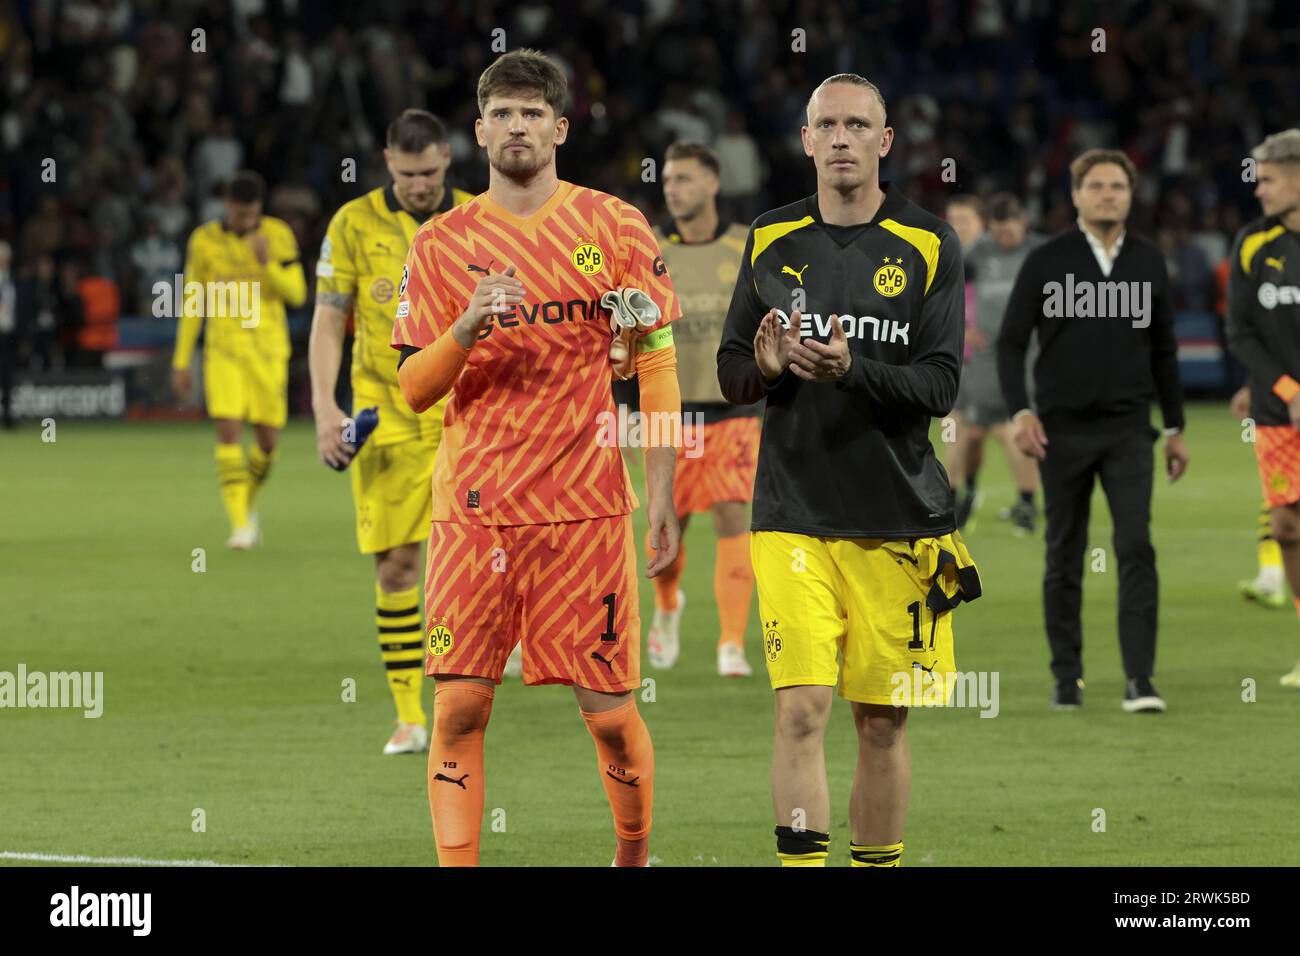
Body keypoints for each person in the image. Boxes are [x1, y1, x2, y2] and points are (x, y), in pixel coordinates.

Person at [390, 49, 682, 867]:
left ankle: (631, 856)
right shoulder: (442, 245)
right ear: (479, 131)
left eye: (532, 112)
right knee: (458, 710)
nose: (516, 125)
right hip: (474, 513)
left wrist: (661, 492)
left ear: (559, 127)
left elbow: (655, 361)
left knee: (613, 714)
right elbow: (413, 389)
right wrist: (464, 329)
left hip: (587, 510)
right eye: (501, 112)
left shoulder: (614, 225)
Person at [717, 73, 981, 867]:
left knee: (881, 720)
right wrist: (764, 367)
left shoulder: (931, 242)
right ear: (805, 140)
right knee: (800, 711)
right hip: (791, 512)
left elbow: (940, 387)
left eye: (856, 124)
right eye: (826, 124)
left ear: (884, 141)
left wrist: (849, 370)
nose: (840, 138)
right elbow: (732, 374)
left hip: (897, 518)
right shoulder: (767, 238)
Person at [997, 149, 1189, 712]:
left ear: (1132, 196)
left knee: (1136, 546)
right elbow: (1010, 342)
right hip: (1061, 432)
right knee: (1064, 553)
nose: (1109, 195)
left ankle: (1139, 680)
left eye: (1119, 187)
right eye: (1097, 186)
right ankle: (1067, 677)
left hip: (1131, 429)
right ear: (1076, 195)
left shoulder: (1150, 261)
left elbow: (1165, 351)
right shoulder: (1046, 260)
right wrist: (1020, 412)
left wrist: (1175, 425)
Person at [309, 109, 473, 755]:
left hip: (467, 410)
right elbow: (328, 320)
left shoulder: (481, 218)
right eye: (408, 174)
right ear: (387, 163)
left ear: (447, 159)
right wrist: (326, 408)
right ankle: (409, 715)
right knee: (397, 568)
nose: (419, 185)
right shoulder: (352, 223)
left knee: (484, 562)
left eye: (429, 172)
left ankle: (480, 678)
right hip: (387, 410)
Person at [647, 141, 758, 678]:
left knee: (734, 513)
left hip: (735, 408)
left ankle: (731, 642)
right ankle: (668, 608)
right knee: (671, 527)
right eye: (668, 180)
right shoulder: (649, 249)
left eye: (685, 179)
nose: (673, 188)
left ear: (713, 184)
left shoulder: (745, 246)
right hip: (673, 412)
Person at [171, 171, 307, 549]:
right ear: (227, 204)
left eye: (251, 214)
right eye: (239, 212)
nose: (246, 220)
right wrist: (181, 360)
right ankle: (240, 526)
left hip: (267, 351)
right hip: (224, 350)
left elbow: (297, 294)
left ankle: (245, 509)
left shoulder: (278, 235)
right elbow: (192, 302)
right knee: (228, 430)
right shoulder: (203, 241)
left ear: (259, 208)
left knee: (266, 442)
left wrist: (268, 266)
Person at [1223, 128, 1300, 686]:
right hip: (1280, 414)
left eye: (1268, 180)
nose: (1259, 191)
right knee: (1287, 526)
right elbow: (1242, 332)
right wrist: (1286, 390)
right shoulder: (1253, 243)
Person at [950, 193, 1044, 534]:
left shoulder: (1041, 252)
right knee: (972, 434)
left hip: (1027, 357)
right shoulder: (979, 251)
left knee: (1019, 429)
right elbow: (945, 287)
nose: (1003, 239)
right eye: (998, 232)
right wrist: (963, 327)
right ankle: (968, 494)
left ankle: (1027, 504)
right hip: (984, 360)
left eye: (1010, 232)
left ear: (1024, 224)